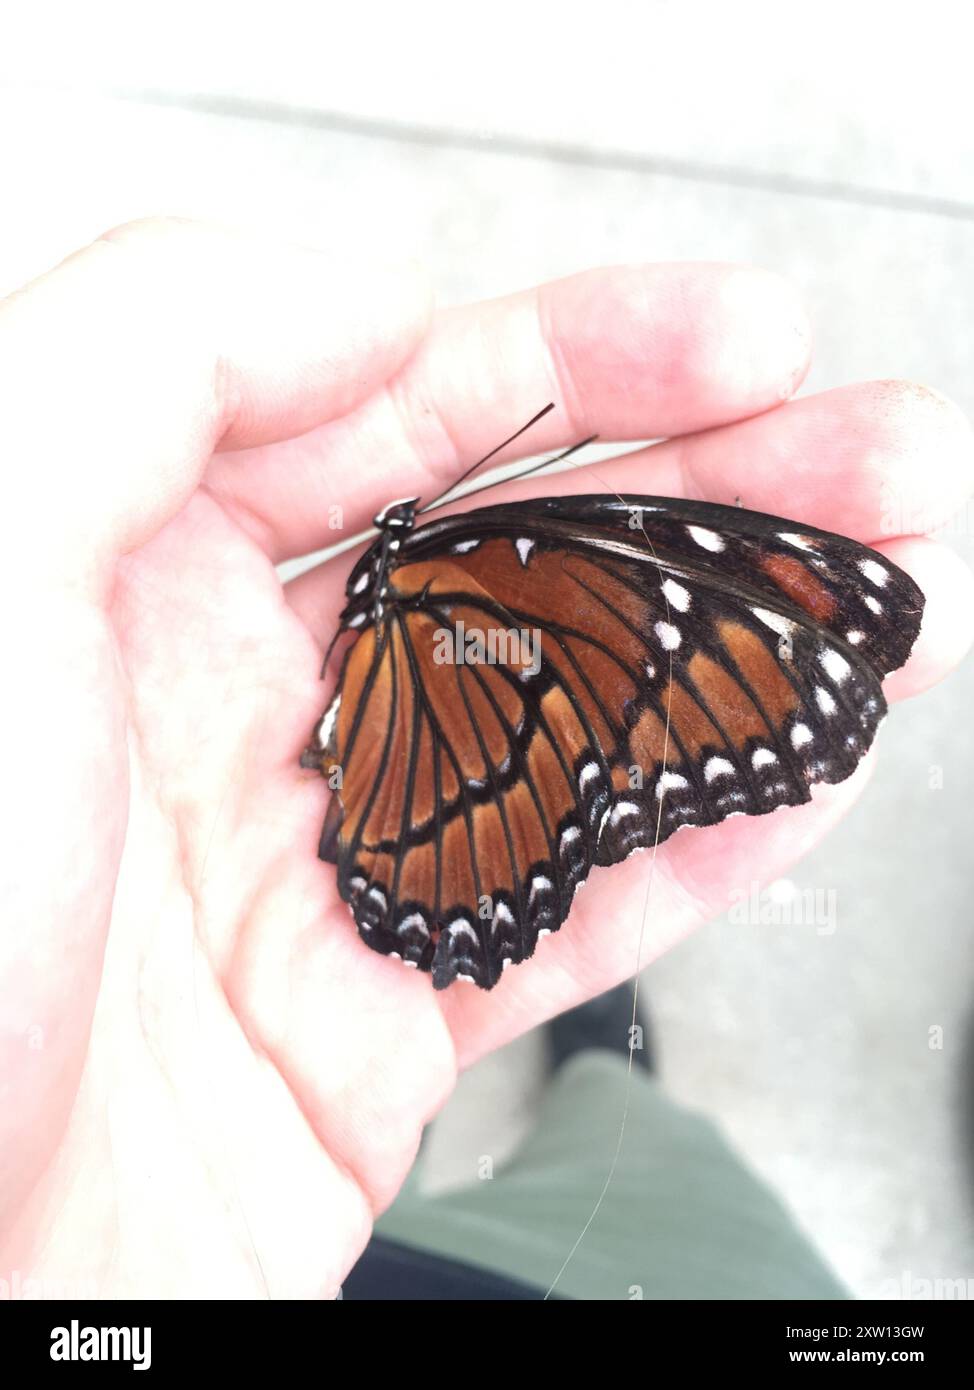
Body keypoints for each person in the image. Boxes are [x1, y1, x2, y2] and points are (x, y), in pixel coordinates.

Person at [0, 219, 970, 1300]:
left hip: (460, 855)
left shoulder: (484, 572)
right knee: (707, 1225)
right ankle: (603, 1075)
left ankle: (596, 1075)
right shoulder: (460, 575)